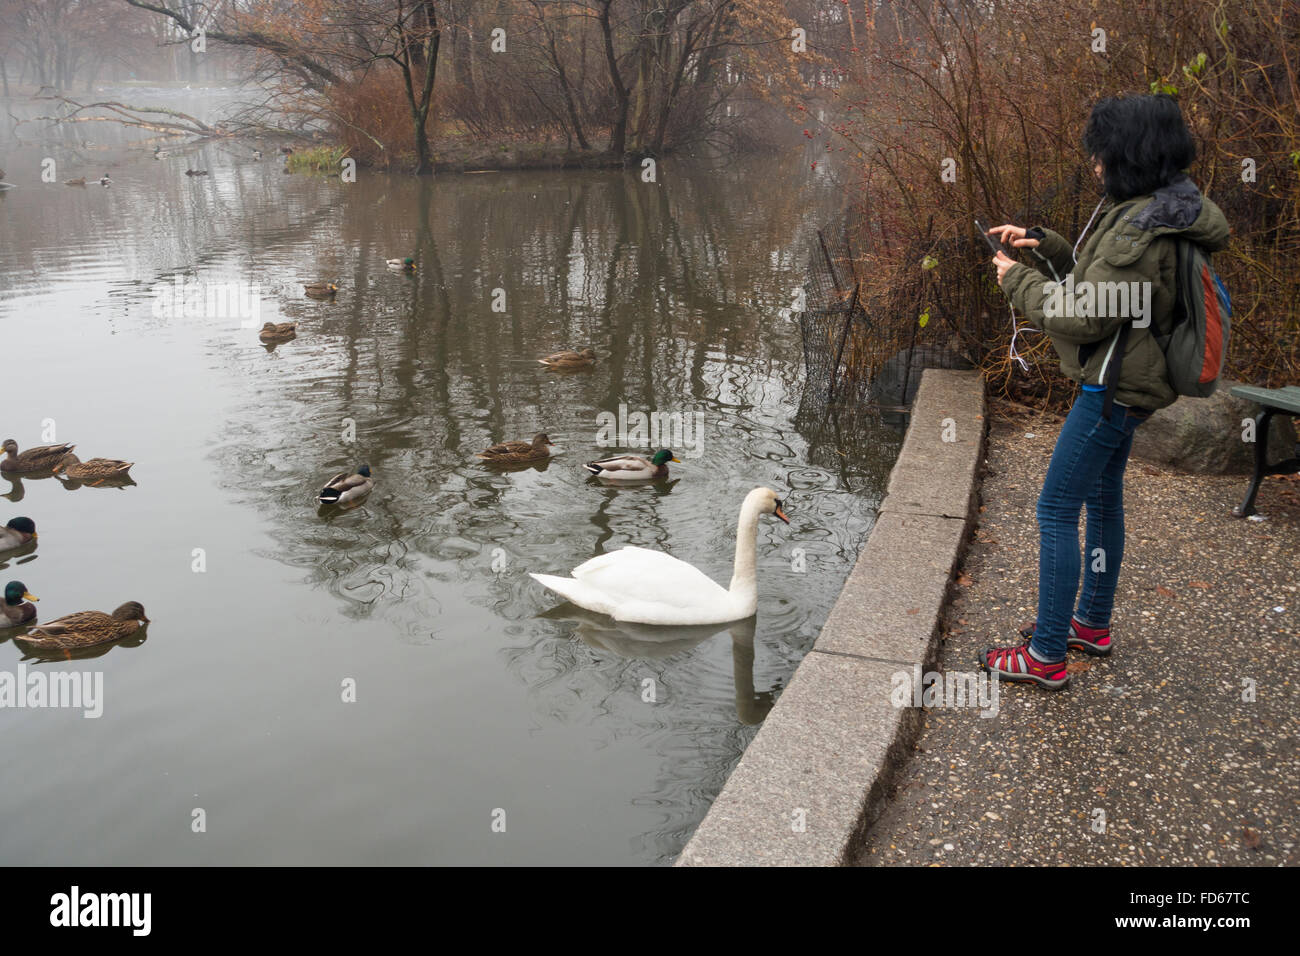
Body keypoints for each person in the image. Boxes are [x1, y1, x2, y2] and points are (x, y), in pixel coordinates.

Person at [980, 94, 1229, 690]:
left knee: (1056, 509)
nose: (1094, 165)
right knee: (1103, 498)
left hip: (1111, 389)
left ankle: (1044, 656)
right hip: (1133, 383)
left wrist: (1016, 282)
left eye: (1100, 154)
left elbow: (1087, 316)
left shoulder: (1136, 227)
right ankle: (1090, 623)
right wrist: (1048, 247)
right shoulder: (1159, 210)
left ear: (1127, 154)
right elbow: (1115, 294)